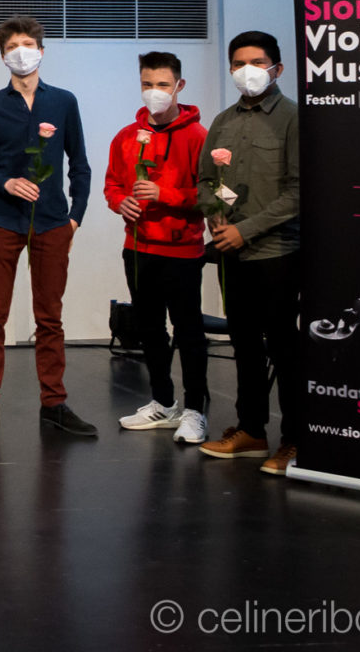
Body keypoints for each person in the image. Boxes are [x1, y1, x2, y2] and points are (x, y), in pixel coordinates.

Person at [0, 15, 95, 436]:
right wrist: (4, 182)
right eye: (12, 47)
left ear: (41, 50)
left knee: (50, 316)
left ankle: (54, 403)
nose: (20, 53)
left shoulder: (64, 102)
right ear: (2, 55)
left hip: (53, 221)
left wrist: (75, 218)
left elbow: (80, 163)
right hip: (3, 220)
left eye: (27, 45)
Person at [196, 31, 302, 476]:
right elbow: (205, 181)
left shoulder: (293, 119)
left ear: (277, 68)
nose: (247, 71)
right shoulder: (223, 121)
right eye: (239, 63)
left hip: (277, 251)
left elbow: (299, 191)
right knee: (244, 345)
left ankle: (295, 441)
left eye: (257, 62)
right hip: (232, 253)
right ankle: (252, 431)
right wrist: (215, 214)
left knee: (284, 347)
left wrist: (246, 229)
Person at [103, 52, 210, 445]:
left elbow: (212, 195)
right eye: (147, 84)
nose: (154, 92)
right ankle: (164, 402)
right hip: (137, 248)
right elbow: (112, 184)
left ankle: (195, 410)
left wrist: (166, 194)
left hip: (181, 250)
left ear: (179, 86)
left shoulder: (198, 137)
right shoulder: (126, 136)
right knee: (149, 329)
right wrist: (120, 202)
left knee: (188, 330)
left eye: (163, 84)